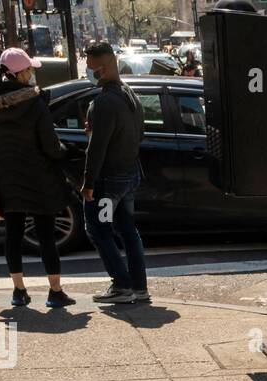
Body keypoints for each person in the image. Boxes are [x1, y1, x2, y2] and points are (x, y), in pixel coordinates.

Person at [0, 47, 76, 309]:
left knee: (13, 234)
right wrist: (65, 151)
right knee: (45, 235)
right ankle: (55, 292)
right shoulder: (34, 102)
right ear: (21, 73)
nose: (32, 74)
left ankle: (19, 291)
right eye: (30, 69)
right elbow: (51, 146)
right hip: (39, 177)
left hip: (6, 177)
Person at [81, 40, 147, 305]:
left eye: (91, 68)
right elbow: (139, 134)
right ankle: (138, 286)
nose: (88, 72)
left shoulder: (105, 102)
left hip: (109, 182)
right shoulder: (130, 94)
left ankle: (122, 285)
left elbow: (96, 148)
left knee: (98, 229)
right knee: (127, 230)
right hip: (129, 175)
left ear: (105, 67)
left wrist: (88, 183)